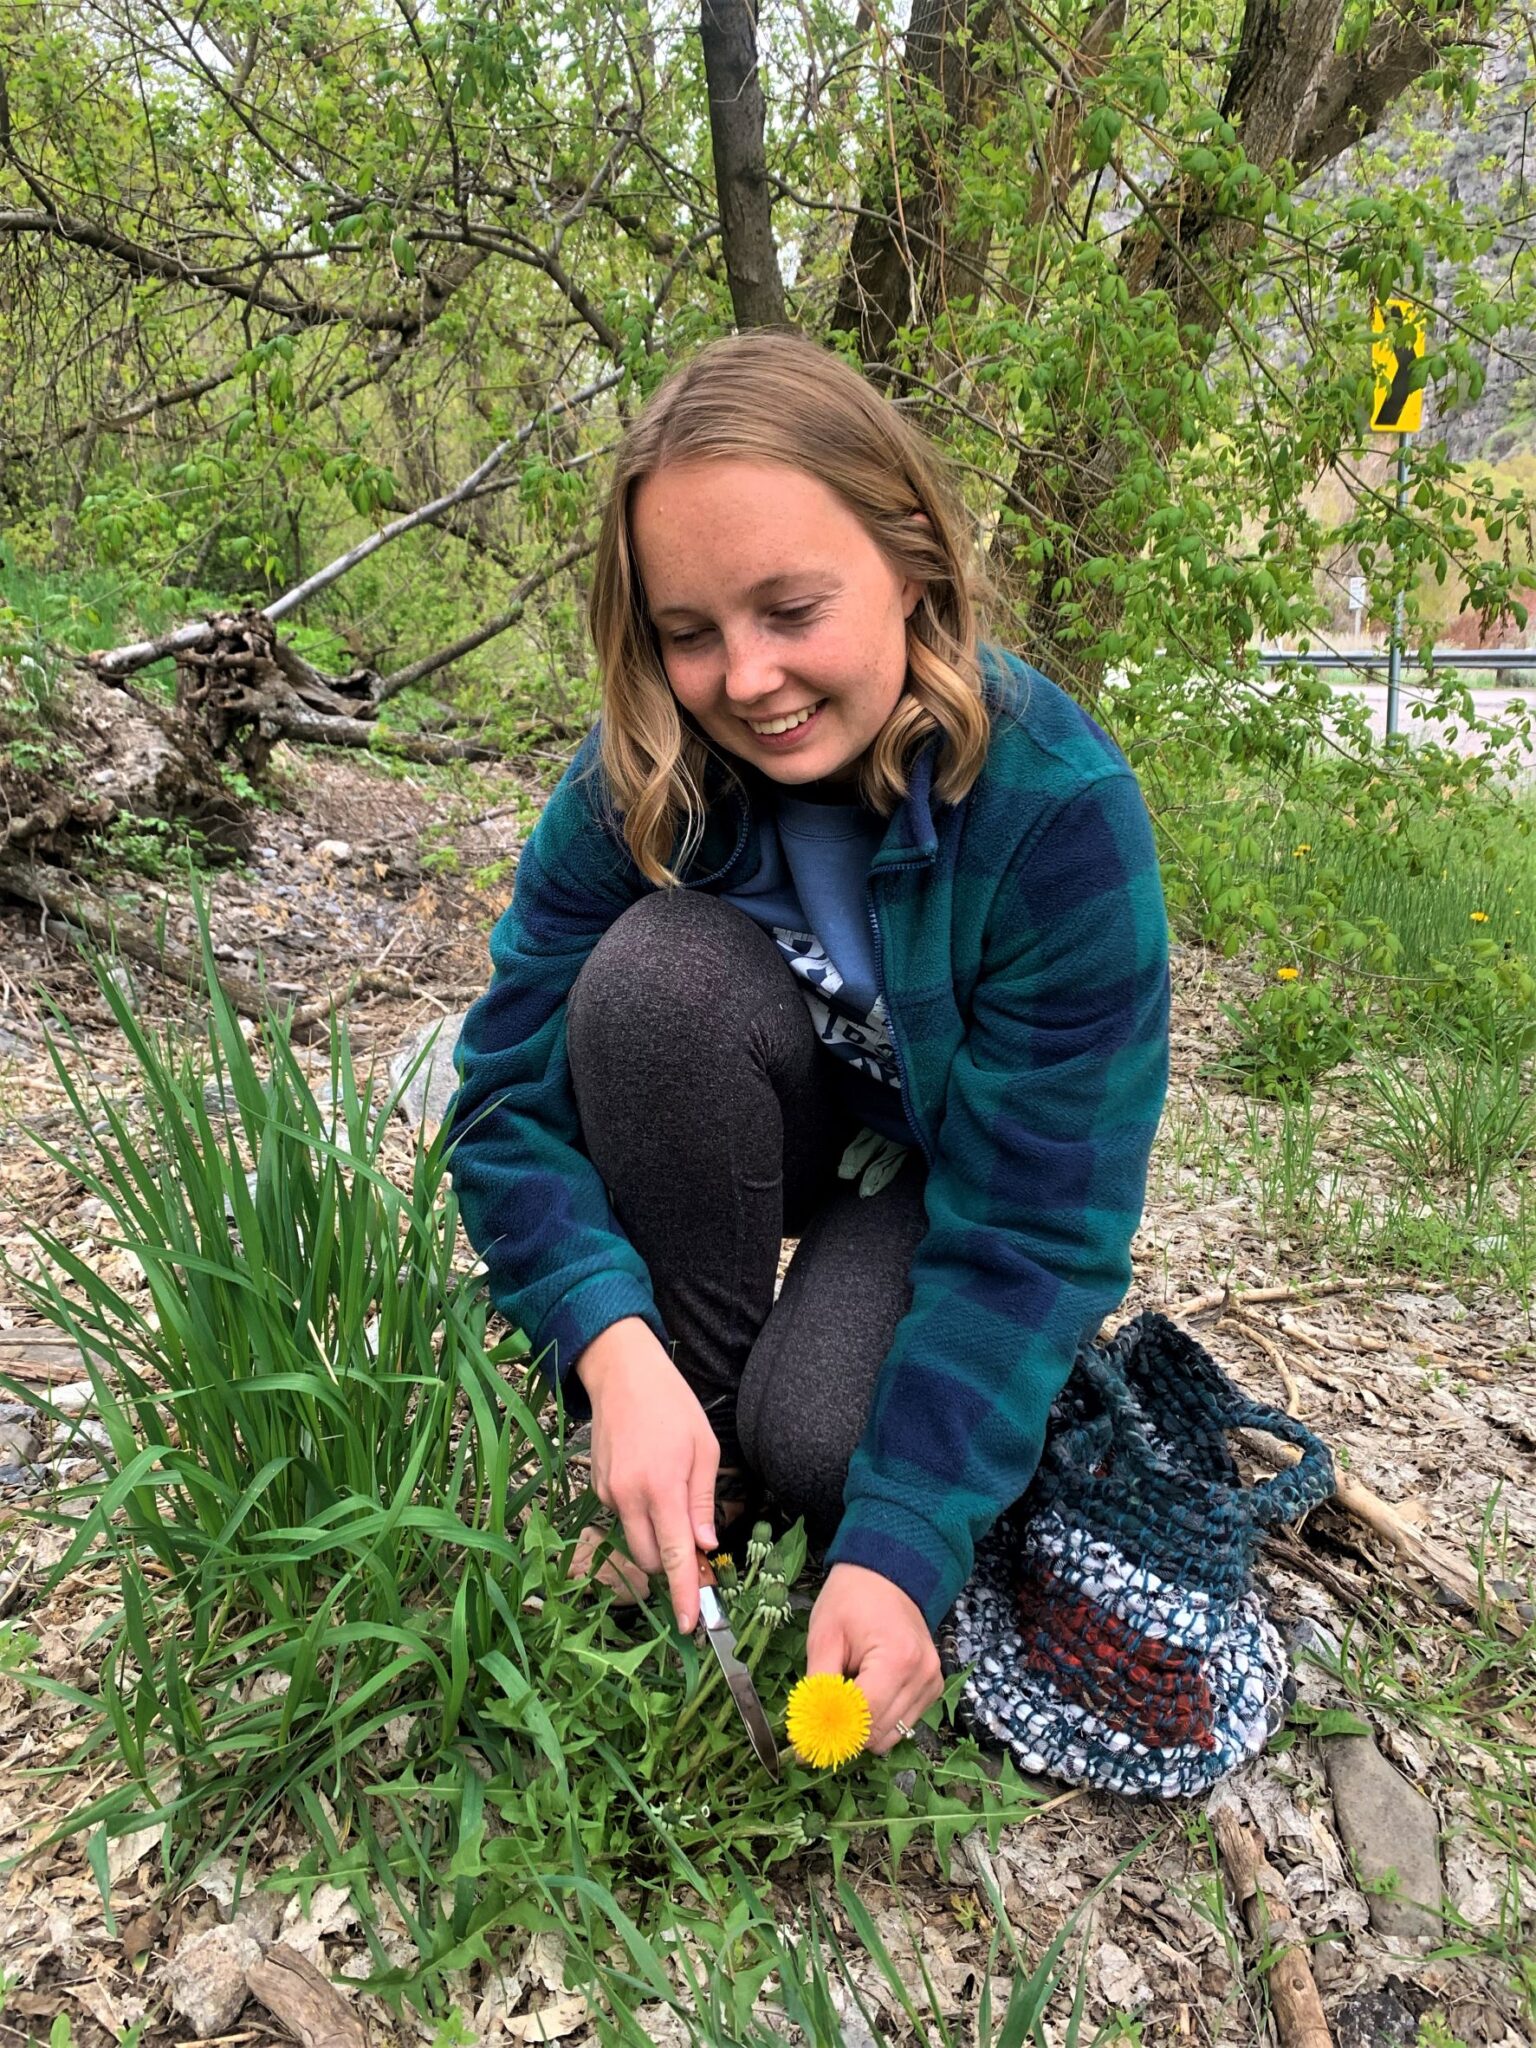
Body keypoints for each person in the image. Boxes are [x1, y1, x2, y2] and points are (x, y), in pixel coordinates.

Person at [446, 331, 1170, 1756]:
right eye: (691, 631)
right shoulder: (638, 779)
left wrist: (905, 1547)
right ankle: (680, 1474)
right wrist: (610, 1353)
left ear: (912, 560)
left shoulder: (1059, 817)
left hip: (930, 1187)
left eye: (791, 609)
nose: (747, 677)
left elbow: (1037, 1229)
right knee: (653, 981)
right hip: (733, 1110)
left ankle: (786, 1462)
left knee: (834, 1456)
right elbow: (503, 1106)